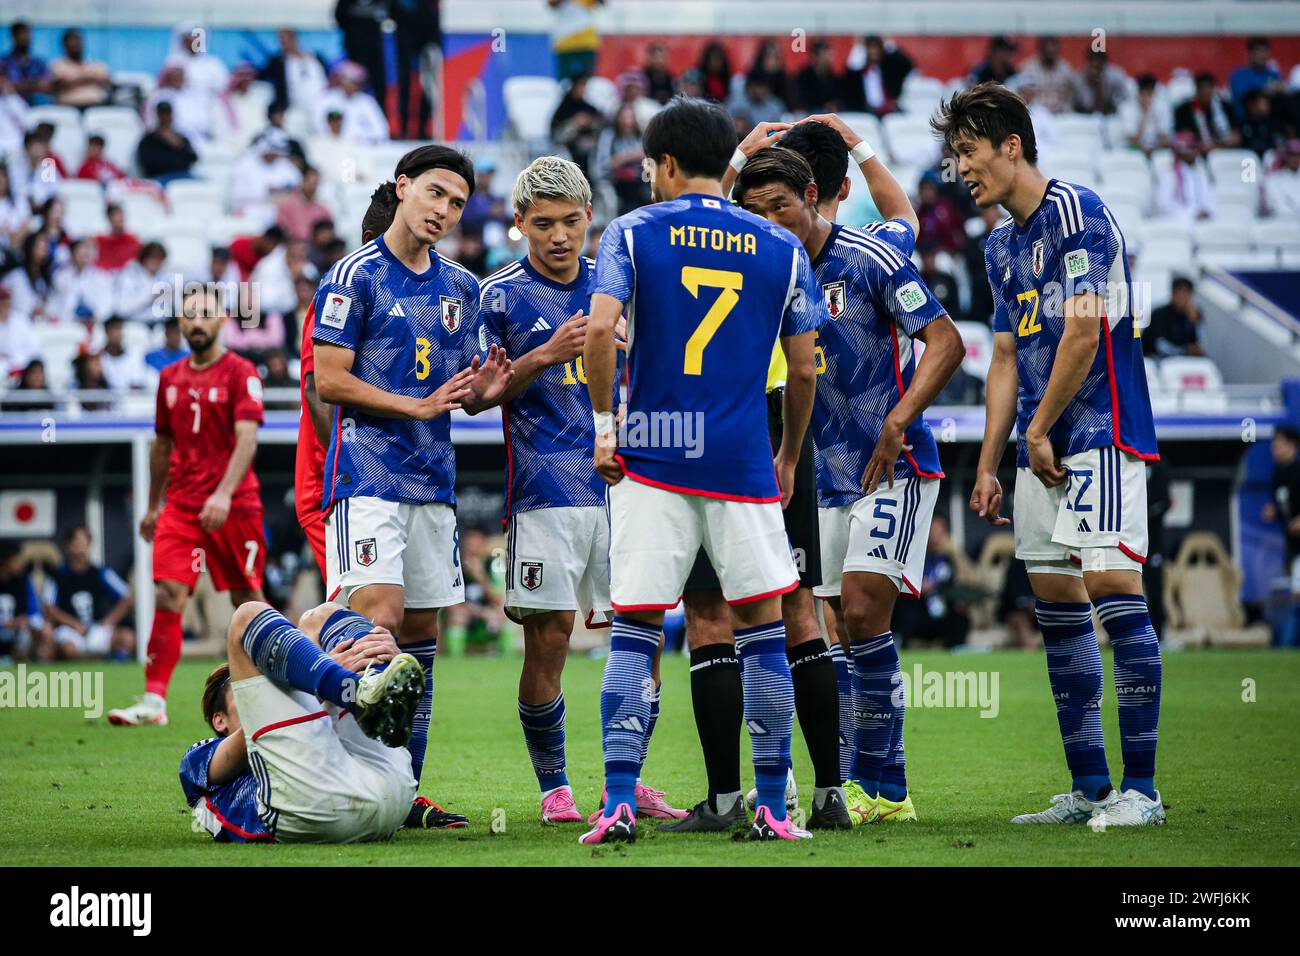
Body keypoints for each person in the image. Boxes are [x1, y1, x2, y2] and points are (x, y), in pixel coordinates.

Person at [580, 96, 826, 844]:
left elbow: (597, 331)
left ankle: (618, 800)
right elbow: (807, 367)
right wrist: (785, 453)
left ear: (662, 165)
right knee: (763, 628)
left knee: (635, 630)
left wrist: (604, 429)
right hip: (744, 461)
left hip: (652, 456)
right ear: (728, 166)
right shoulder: (781, 247)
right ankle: (776, 806)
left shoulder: (630, 231)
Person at [935, 82, 1166, 827]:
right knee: (1058, 605)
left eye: (968, 151)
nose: (961, 168)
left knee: (1110, 583)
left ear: (1011, 146)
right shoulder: (1000, 245)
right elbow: (1003, 357)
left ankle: (1145, 791)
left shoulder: (1078, 213)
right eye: (953, 156)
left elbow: (1083, 331)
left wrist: (1038, 432)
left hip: (1100, 430)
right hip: (1037, 450)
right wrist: (990, 460)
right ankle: (1091, 787)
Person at [732, 118, 964, 826]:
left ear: (812, 196)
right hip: (817, 475)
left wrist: (898, 423)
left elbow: (947, 342)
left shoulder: (870, 257)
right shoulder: (763, 278)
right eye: (756, 212)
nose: (772, 222)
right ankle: (853, 788)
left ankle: (883, 788)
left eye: (782, 207)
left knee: (863, 613)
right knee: (835, 627)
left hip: (889, 464)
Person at [310, 144, 513, 826]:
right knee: (379, 625)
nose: (443, 211)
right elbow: (328, 379)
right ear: (402, 188)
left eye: (456, 203)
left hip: (434, 483)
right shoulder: (353, 275)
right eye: (434, 193)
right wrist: (417, 405)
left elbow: (471, 393)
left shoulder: (463, 288)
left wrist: (495, 383)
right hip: (367, 476)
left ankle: (403, 790)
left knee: (422, 636)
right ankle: (346, 779)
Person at [476, 155, 680, 824]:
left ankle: (629, 780)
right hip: (543, 493)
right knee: (551, 641)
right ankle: (553, 787)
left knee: (642, 636)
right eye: (543, 224)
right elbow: (478, 398)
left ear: (590, 217)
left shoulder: (621, 286)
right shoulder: (499, 295)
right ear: (519, 225)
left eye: (570, 221)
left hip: (628, 490)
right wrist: (543, 354)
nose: (558, 236)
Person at [106, 286, 268, 728]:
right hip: (181, 506)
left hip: (234, 506)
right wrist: (154, 504)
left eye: (204, 314)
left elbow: (247, 439)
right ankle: (154, 701)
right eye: (188, 315)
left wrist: (222, 493)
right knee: (168, 592)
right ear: (180, 323)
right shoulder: (170, 378)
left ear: (221, 321)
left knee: (248, 601)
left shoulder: (241, 372)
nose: (195, 321)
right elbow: (162, 444)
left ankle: (273, 691)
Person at [181, 601, 425, 843]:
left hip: (394, 793)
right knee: (247, 615)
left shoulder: (305, 725)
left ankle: (376, 682)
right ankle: (350, 688)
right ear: (219, 720)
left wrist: (378, 655)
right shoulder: (198, 758)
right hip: (311, 809)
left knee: (321, 615)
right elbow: (251, 737)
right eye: (245, 687)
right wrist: (319, 688)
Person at [42, 526, 135, 660]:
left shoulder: (100, 572)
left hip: (96, 628)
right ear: (67, 545)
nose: (82, 546)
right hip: (69, 631)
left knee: (127, 638)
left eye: (85, 541)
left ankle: (114, 666)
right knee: (68, 649)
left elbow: (128, 597)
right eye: (77, 541)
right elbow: (49, 608)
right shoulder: (57, 575)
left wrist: (108, 621)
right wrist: (74, 624)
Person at [1263, 425, 1300, 646]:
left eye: (1278, 443)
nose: (1274, 448)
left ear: (1292, 445)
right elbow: (1282, 502)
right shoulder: (1278, 472)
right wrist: (1273, 510)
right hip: (1292, 542)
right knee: (1292, 587)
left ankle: (1290, 643)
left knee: (1297, 589)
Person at [594, 104, 649, 215]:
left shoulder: (640, 137)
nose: (626, 122)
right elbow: (603, 165)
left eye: (629, 118)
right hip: (615, 182)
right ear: (617, 118)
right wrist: (627, 156)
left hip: (639, 181)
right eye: (623, 117)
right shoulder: (609, 136)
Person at [316, 60, 389, 145]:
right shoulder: (327, 99)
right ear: (341, 81)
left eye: (355, 83)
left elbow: (381, 130)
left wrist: (361, 139)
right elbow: (319, 126)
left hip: (363, 148)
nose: (351, 85)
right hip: (333, 146)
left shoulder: (367, 102)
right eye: (348, 81)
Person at [258, 27, 328, 113]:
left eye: (286, 40)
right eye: (281, 41)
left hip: (321, 107)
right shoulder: (278, 62)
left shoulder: (316, 57)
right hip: (294, 111)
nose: (283, 44)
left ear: (295, 39)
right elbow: (261, 76)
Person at [0, 541, 48, 662]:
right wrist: (3, 623)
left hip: (17, 629)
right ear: (4, 562)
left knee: (45, 630)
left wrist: (23, 620)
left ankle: (34, 667)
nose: (20, 564)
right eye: (16, 560)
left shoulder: (23, 581)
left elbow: (34, 612)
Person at [843, 35, 912, 116]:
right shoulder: (857, 74)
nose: (874, 51)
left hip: (888, 111)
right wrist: (858, 47)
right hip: (866, 112)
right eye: (870, 48)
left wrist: (888, 44)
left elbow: (907, 65)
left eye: (877, 48)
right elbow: (850, 69)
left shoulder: (888, 70)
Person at [1173, 73, 1240, 153]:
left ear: (1214, 88)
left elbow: (1236, 136)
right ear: (1196, 89)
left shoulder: (1226, 107)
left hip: (1225, 150)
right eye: (1202, 88)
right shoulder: (1184, 110)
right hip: (1198, 153)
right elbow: (1184, 137)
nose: (1205, 91)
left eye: (1209, 87)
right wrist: (1199, 144)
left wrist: (1217, 146)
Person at [136, 101, 199, 183]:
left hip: (184, 175)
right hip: (161, 177)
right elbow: (149, 164)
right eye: (162, 114)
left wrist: (179, 145)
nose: (165, 117)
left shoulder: (181, 138)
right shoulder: (149, 140)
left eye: (168, 114)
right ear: (157, 115)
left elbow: (193, 157)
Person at [1143, 276, 1205, 357]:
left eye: (1187, 293)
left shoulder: (1194, 315)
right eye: (1180, 292)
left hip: (1184, 362)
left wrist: (1196, 323)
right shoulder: (1159, 314)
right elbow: (1160, 346)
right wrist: (1184, 351)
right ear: (1173, 294)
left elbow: (1201, 346)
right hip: (1154, 360)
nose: (1183, 297)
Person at [1013, 36, 1075, 115]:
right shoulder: (1028, 67)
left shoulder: (1065, 69)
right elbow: (1021, 95)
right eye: (1047, 48)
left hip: (1062, 116)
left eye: (1053, 49)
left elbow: (1071, 97)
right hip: (1036, 115)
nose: (1050, 51)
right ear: (1040, 48)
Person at [49, 29, 110, 109]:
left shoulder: (97, 64)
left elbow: (106, 82)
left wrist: (75, 79)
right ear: (64, 45)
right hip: (67, 108)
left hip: (96, 107)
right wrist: (90, 78)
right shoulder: (57, 65)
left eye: (77, 40)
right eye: (71, 41)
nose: (75, 44)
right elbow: (59, 85)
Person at [548, 0, 604, 81]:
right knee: (565, 81)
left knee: (587, 80)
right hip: (565, 42)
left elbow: (602, 3)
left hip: (586, 42)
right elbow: (552, 4)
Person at [1119, 74, 1173, 155]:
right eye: (1143, 92)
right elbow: (1133, 140)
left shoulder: (1162, 106)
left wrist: (1154, 148)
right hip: (1135, 149)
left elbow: (1165, 137)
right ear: (1138, 91)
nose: (1146, 97)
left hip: (1157, 149)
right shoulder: (1127, 108)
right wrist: (1145, 114)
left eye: (1149, 93)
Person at [276, 166, 332, 242]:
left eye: (316, 183)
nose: (313, 187)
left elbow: (328, 231)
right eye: (310, 182)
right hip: (292, 246)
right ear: (302, 181)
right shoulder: (287, 205)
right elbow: (282, 228)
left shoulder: (322, 209)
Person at [1229, 37, 1282, 117]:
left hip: (1270, 122)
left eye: (1264, 51)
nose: (1262, 55)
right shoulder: (1238, 75)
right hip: (1245, 121)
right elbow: (1244, 96)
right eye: (1258, 51)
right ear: (1249, 53)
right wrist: (1266, 90)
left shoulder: (1273, 75)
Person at [0, 22, 50, 102]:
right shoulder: (4, 62)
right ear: (13, 36)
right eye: (20, 34)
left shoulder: (38, 62)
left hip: (37, 104)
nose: (25, 38)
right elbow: (4, 86)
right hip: (12, 104)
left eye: (27, 34)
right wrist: (32, 86)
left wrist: (19, 86)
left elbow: (47, 86)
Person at [98, 315, 149, 391]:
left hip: (129, 400)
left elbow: (137, 384)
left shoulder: (134, 356)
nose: (117, 333)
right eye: (114, 329)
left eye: (119, 329)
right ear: (106, 332)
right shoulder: (98, 358)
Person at [1072, 48, 1127, 116]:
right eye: (1092, 67)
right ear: (1087, 63)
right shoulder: (1078, 79)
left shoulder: (1116, 77)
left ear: (1105, 64)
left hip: (1111, 116)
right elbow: (1079, 105)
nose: (1095, 72)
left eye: (1098, 67)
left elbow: (1125, 99)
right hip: (1084, 116)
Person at [95, 204, 141, 271]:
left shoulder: (133, 240)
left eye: (121, 214)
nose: (120, 218)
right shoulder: (100, 240)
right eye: (116, 215)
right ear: (109, 218)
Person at [1264, 138, 1300, 217]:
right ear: (1285, 156)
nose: (1296, 158)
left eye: (1298, 154)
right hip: (1282, 223)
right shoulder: (1274, 179)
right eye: (1292, 155)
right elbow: (1278, 208)